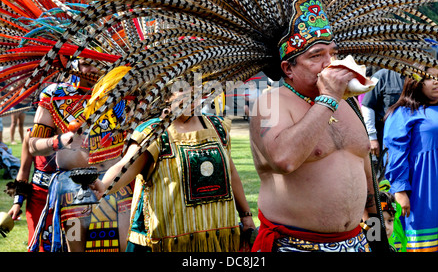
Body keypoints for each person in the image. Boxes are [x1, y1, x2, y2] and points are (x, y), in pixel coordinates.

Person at [249, 0, 379, 252]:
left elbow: (366, 176)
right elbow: (284, 159)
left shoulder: (348, 104)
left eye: (333, 53)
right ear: (288, 68)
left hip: (356, 242)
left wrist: (376, 239)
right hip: (295, 245)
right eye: (317, 56)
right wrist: (328, 98)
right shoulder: (270, 103)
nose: (330, 63)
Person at [91, 87, 256, 252]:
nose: (191, 96)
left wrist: (246, 216)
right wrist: (104, 185)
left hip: (217, 239)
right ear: (167, 96)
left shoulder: (218, 127)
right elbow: (125, 166)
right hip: (165, 243)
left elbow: (231, 173)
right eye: (183, 90)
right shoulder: (154, 132)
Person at [27, 59, 133, 252]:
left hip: (115, 185)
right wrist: (59, 141)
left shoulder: (123, 90)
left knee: (120, 247)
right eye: (85, 63)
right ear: (73, 63)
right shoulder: (54, 95)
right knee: (77, 249)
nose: (92, 69)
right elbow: (33, 145)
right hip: (73, 187)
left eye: (98, 62)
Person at [383, 67, 438, 252]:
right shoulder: (404, 112)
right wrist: (400, 190)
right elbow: (395, 152)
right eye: (430, 78)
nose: (437, 82)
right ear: (416, 83)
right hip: (424, 186)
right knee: (424, 237)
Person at [7, 128, 57, 252]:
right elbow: (24, 170)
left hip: (68, 199)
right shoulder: (32, 134)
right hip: (38, 201)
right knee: (40, 245)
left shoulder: (74, 131)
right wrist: (17, 202)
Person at [361, 69, 405, 166]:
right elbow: (368, 107)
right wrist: (372, 137)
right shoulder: (381, 76)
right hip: (385, 136)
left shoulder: (419, 76)